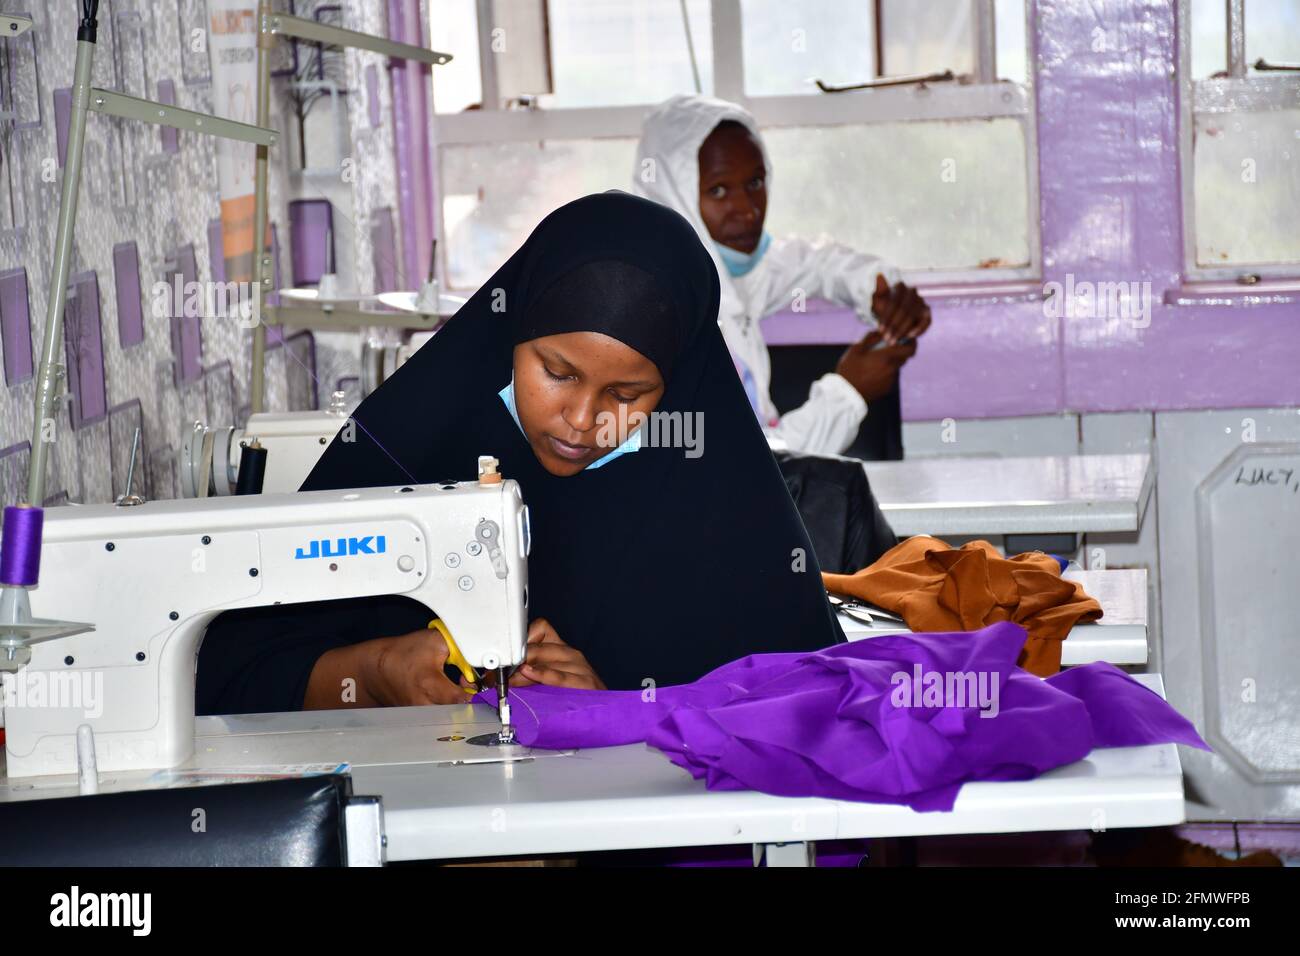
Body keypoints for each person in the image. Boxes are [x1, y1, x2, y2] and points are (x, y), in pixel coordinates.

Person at [196, 192, 844, 716]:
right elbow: (229, 680)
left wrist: (615, 709)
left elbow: (804, 715)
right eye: (557, 372)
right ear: (513, 334)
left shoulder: (719, 501)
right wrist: (370, 671)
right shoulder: (406, 452)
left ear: (675, 387)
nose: (583, 420)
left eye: (627, 393)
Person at [634, 94, 932, 458]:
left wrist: (880, 289)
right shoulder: (661, 321)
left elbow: (815, 264)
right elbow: (741, 468)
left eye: (755, 182)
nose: (747, 210)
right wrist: (848, 394)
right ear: (673, 194)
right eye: (719, 190)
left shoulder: (728, 276)